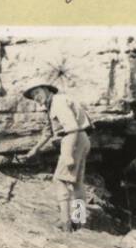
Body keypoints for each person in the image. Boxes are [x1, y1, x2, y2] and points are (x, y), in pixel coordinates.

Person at [23, 80, 93, 233]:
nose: (36, 97)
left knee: (59, 180)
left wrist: (68, 155)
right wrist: (34, 150)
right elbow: (48, 132)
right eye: (33, 96)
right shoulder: (51, 106)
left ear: (46, 89)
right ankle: (79, 220)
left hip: (73, 139)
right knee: (76, 183)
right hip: (82, 139)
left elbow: (72, 128)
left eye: (37, 93)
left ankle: (66, 223)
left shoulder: (58, 102)